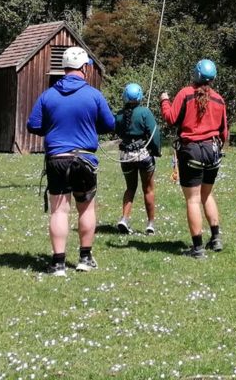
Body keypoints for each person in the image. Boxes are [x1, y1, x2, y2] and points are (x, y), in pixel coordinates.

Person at [26, 46, 116, 275]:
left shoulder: (48, 95)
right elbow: (109, 125)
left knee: (59, 211)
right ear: (85, 68)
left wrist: (54, 126)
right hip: (84, 159)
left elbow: (33, 125)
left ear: (63, 68)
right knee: (86, 209)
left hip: (57, 159)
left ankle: (58, 263)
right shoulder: (94, 95)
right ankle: (85, 258)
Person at [159, 59, 229, 259]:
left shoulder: (185, 93)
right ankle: (215, 238)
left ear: (196, 75)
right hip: (213, 150)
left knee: (193, 199)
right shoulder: (219, 100)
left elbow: (171, 118)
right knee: (207, 194)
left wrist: (164, 100)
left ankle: (197, 248)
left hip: (192, 151)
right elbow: (224, 131)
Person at [113, 82, 161, 235]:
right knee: (148, 189)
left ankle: (124, 219)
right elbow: (155, 134)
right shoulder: (145, 112)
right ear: (140, 96)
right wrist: (156, 151)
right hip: (144, 156)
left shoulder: (119, 115)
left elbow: (117, 131)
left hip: (126, 157)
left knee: (130, 188)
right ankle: (150, 224)